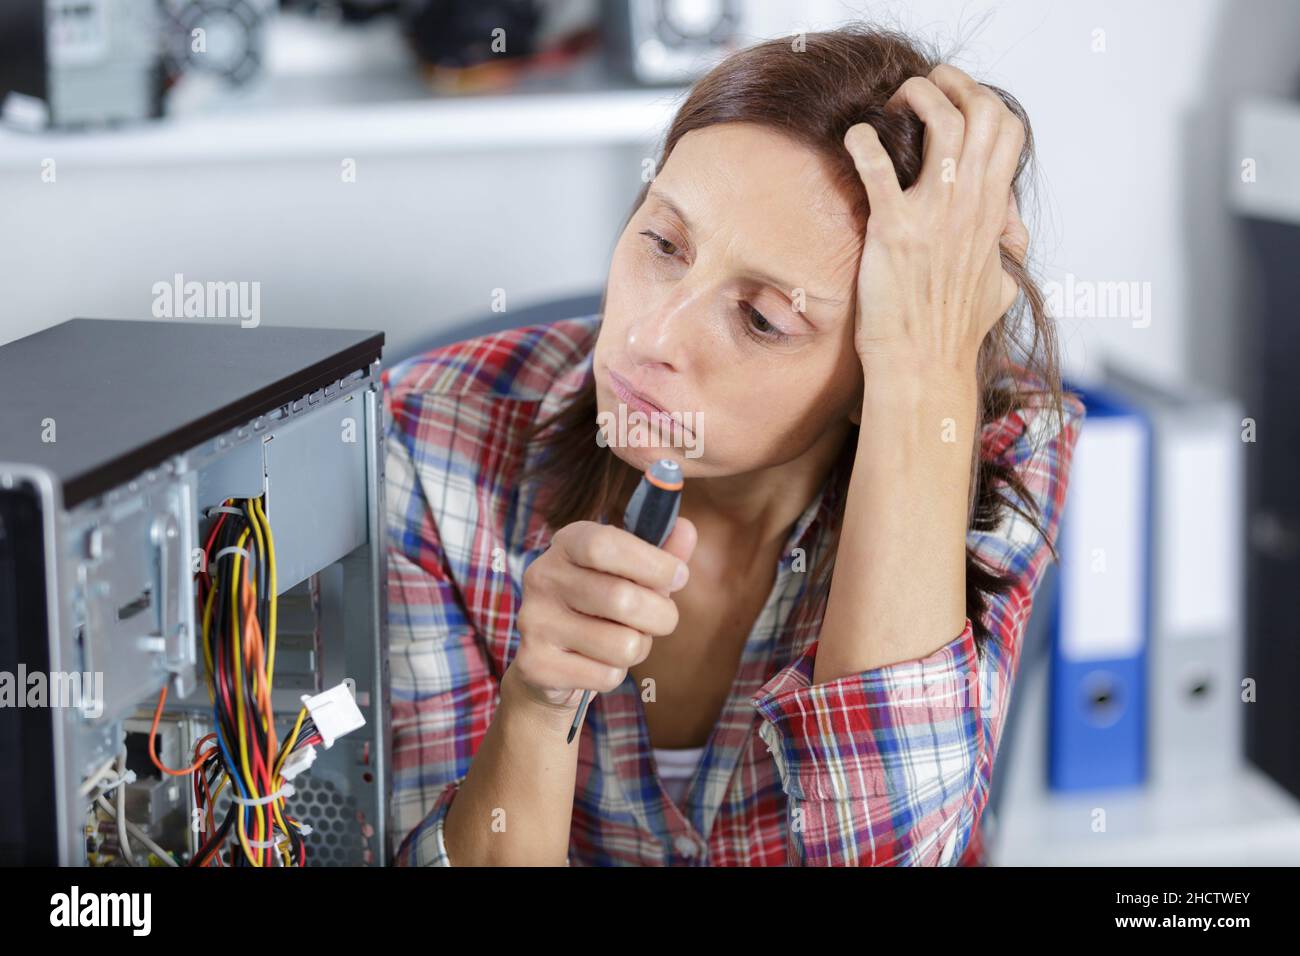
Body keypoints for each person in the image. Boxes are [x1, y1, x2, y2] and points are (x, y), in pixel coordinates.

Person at [383, 24, 1085, 866]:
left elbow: (891, 855)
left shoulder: (1006, 443)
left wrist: (925, 377)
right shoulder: (429, 431)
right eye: (664, 244)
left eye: (763, 319)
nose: (654, 336)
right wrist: (537, 702)